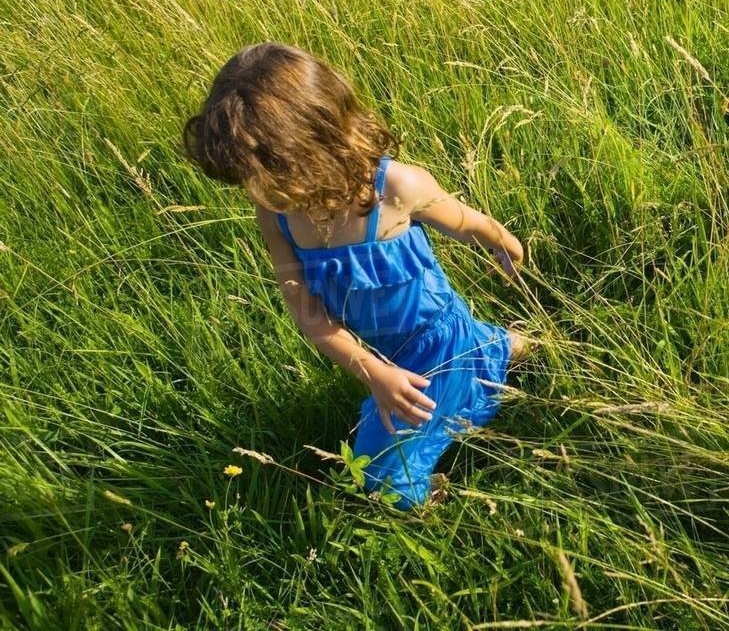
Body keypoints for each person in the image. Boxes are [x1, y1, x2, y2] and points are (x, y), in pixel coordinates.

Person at [183, 41, 529, 508]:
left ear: (323, 139)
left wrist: (504, 245)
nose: (262, 191)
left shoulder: (397, 189)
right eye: (251, 180)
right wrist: (376, 374)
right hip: (388, 362)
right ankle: (501, 351)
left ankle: (487, 368)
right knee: (380, 450)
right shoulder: (276, 211)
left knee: (379, 481)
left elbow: (468, 222)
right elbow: (306, 310)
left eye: (274, 174)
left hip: (440, 348)